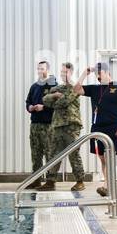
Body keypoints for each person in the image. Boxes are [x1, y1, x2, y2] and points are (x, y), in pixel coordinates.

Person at [75, 63, 117, 197]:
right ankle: (107, 182)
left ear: (106, 72)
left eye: (99, 74)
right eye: (96, 75)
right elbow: (76, 90)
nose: (97, 77)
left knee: (108, 156)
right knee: (102, 158)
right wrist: (84, 73)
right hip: (97, 128)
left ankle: (107, 185)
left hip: (113, 128)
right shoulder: (94, 89)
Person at [41, 62, 87, 192]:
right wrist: (54, 96)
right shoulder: (58, 88)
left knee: (73, 154)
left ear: (71, 72)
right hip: (58, 125)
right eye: (61, 72)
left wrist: (55, 100)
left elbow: (64, 101)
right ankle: (50, 181)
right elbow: (45, 100)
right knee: (53, 154)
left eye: (65, 72)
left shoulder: (75, 87)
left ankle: (80, 181)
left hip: (71, 126)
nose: (63, 74)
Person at [25, 61, 58, 187]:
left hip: (48, 125)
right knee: (36, 153)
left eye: (42, 68)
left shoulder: (53, 85)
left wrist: (43, 107)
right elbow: (28, 101)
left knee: (49, 152)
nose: (39, 70)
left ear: (47, 69)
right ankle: (36, 179)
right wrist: (30, 107)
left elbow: (57, 104)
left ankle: (51, 181)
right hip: (35, 125)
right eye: (38, 68)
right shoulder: (34, 86)